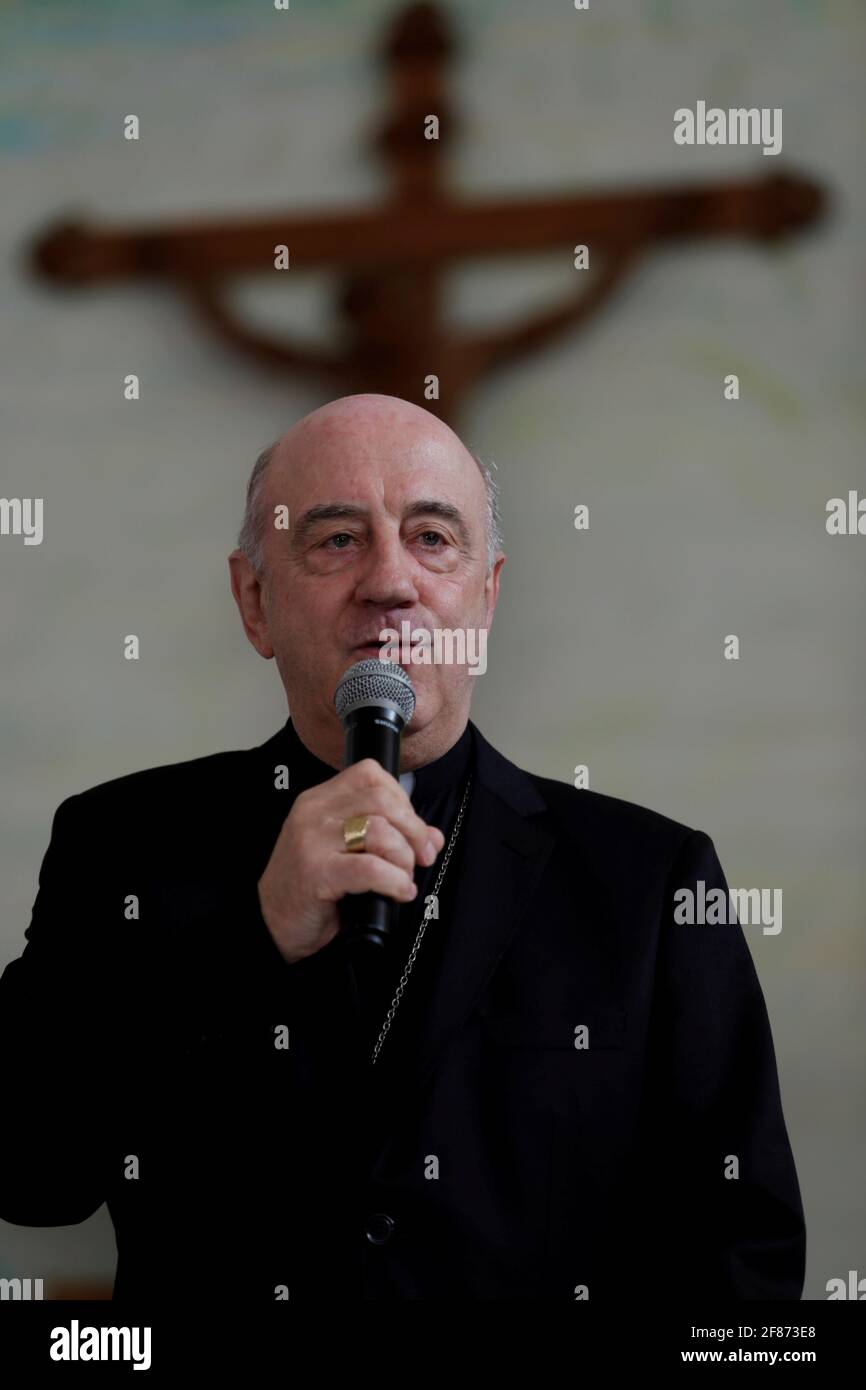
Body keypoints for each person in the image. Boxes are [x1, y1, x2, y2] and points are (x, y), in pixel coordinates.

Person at [0, 394, 805, 1301]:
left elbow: (748, 1264)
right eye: (337, 539)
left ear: (486, 596)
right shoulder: (121, 847)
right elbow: (30, 1173)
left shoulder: (650, 883)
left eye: (432, 537)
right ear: (255, 601)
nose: (391, 581)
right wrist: (249, 938)